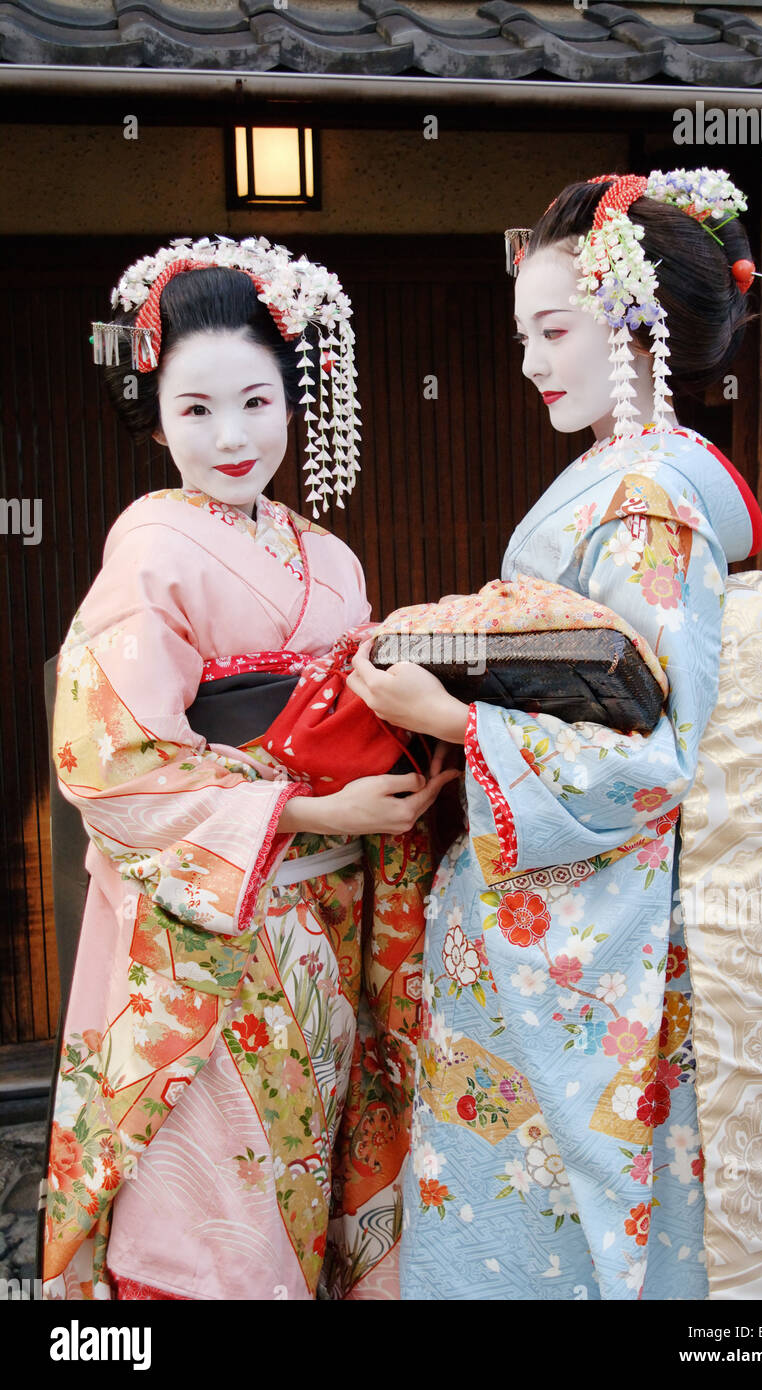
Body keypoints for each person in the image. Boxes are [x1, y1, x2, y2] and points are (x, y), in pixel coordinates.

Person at [348, 171, 762, 1300]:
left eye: (555, 330)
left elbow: (648, 754)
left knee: (541, 1224)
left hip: (578, 929)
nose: (531, 362)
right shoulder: (631, 483)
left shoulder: (644, 502)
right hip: (557, 892)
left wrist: (456, 717)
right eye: (525, 333)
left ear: (638, 327)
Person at [41, 236, 456, 1301]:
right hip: (214, 930)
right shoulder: (152, 550)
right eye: (196, 409)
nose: (232, 437)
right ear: (155, 408)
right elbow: (109, 760)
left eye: (257, 402)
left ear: (294, 397)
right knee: (216, 1208)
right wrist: (318, 803)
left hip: (328, 919)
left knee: (308, 1169)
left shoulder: (333, 557)